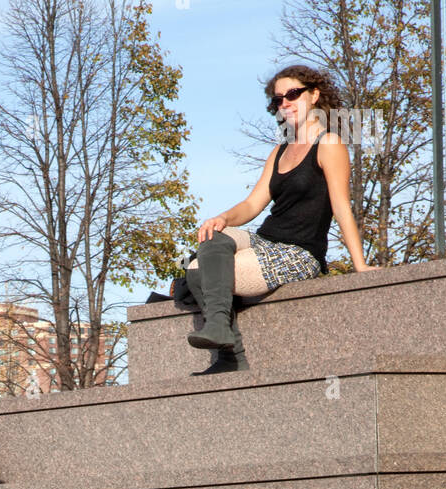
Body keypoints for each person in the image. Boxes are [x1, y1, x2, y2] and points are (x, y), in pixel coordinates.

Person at [149, 64, 371, 374]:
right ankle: (221, 334)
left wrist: (359, 265)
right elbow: (253, 203)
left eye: (293, 94)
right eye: (278, 99)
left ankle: (230, 356)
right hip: (265, 240)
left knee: (200, 274)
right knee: (210, 244)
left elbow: (341, 206)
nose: (285, 103)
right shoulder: (280, 151)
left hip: (298, 253)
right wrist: (222, 218)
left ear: (315, 95)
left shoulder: (330, 144)